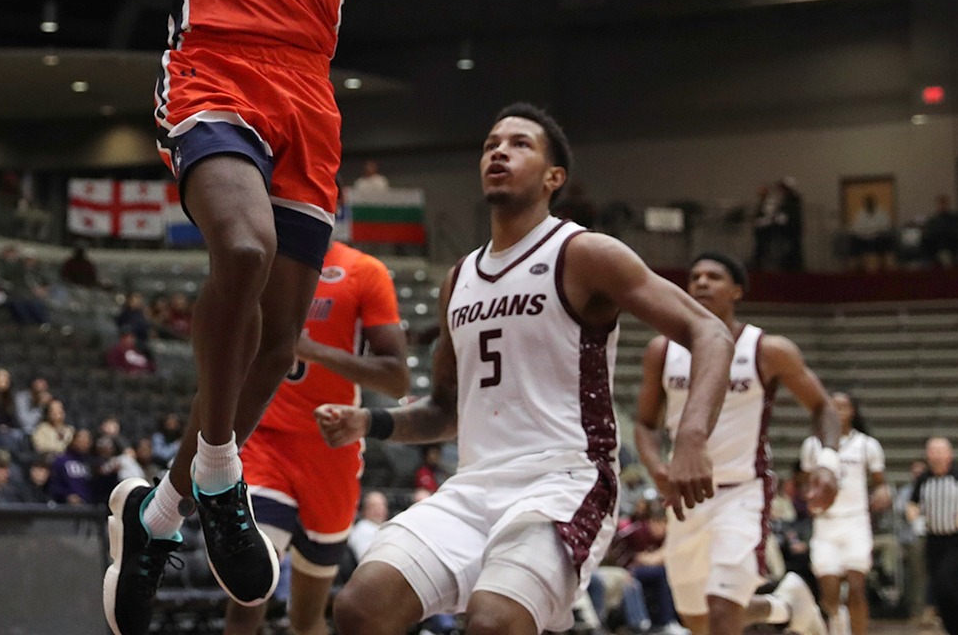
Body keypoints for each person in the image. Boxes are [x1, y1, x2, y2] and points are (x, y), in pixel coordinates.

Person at [68, 0, 690, 629]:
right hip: (214, 69)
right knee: (240, 244)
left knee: (275, 343)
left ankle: (164, 509)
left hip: (307, 93)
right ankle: (214, 475)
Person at [296, 104, 726, 635]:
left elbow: (710, 332)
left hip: (564, 481)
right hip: (475, 485)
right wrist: (372, 423)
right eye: (491, 143)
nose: (499, 150)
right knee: (361, 607)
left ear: (553, 178)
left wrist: (692, 436)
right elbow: (443, 412)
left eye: (520, 143)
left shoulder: (582, 252)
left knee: (494, 623)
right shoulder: (459, 279)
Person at [211, 239, 407, 635]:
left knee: (306, 618)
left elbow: (396, 377)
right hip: (267, 443)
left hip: (332, 451)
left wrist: (311, 351)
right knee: (249, 591)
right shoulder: (254, 263)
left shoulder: (363, 271)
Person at [634, 252, 834, 635]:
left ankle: (780, 605)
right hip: (685, 497)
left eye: (714, 277)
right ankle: (786, 606)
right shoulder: (663, 351)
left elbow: (822, 407)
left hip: (742, 493)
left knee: (722, 612)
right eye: (695, 277)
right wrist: (655, 465)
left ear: (737, 291)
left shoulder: (767, 349)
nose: (702, 283)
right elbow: (644, 424)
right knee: (699, 622)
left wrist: (826, 462)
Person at [797, 392, 887, 635]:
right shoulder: (812, 445)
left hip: (856, 521)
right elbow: (804, 481)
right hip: (825, 523)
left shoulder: (867, 445)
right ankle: (837, 622)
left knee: (857, 586)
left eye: (843, 407)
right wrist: (809, 495)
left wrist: (882, 493)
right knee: (829, 590)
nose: (839, 412)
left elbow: (879, 482)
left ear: (853, 411)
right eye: (833, 407)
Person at [908, 438, 958, 635]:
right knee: (940, 589)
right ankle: (954, 629)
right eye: (933, 452)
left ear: (949, 455)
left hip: (956, 539)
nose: (936, 456)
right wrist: (913, 514)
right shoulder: (923, 479)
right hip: (933, 539)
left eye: (940, 452)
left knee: (947, 581)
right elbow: (912, 503)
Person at [845, 196, 893, 273]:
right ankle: (858, 263)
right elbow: (855, 227)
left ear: (874, 203)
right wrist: (866, 231)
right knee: (853, 239)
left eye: (870, 203)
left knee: (884, 239)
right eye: (867, 203)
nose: (869, 205)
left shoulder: (882, 213)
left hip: (877, 237)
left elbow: (886, 226)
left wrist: (872, 230)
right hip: (863, 238)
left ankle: (882, 263)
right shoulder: (860, 213)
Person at [921, 195, 958, 268]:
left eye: (944, 203)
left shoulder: (954, 218)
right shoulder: (933, 220)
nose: (942, 206)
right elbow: (928, 230)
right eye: (940, 204)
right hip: (936, 244)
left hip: (951, 243)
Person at [349, 490, 390, 563]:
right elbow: (367, 559)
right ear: (365, 509)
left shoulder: (386, 527)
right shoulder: (363, 529)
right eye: (374, 506)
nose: (379, 510)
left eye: (382, 505)